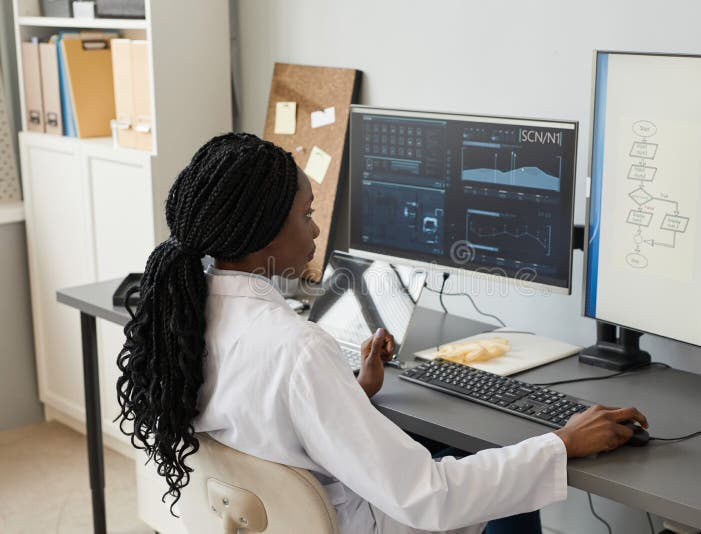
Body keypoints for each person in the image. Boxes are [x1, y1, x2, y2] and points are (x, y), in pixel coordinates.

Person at [117, 133, 648, 534]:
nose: (317, 228)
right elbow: (429, 497)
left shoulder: (181, 322)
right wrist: (562, 442)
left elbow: (261, 416)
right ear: (263, 235)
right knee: (504, 484)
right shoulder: (295, 347)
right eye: (305, 214)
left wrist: (350, 390)